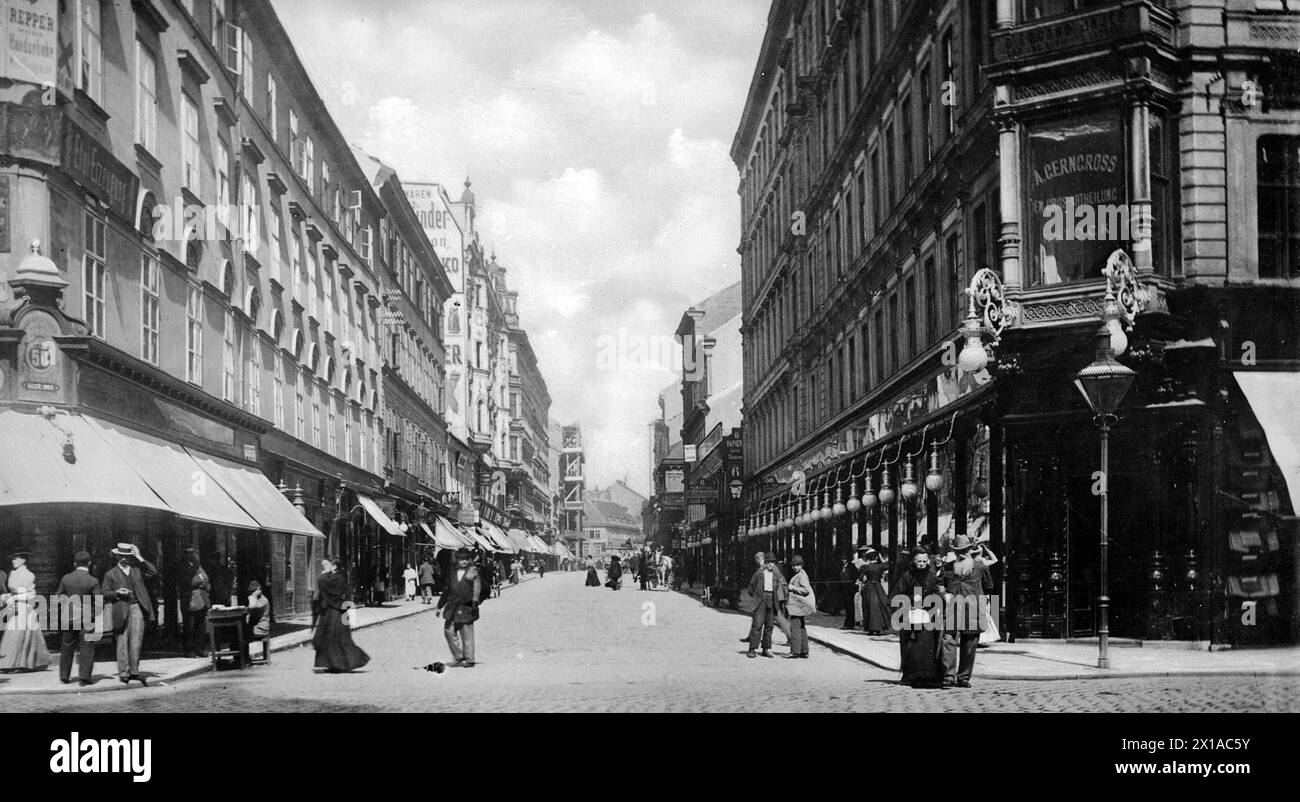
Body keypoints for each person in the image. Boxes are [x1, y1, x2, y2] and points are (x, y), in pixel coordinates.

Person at [939, 535, 994, 688]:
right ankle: (948, 676)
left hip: (973, 610)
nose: (962, 554)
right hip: (952, 610)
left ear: (971, 550)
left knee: (969, 644)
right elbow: (941, 585)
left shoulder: (981, 567)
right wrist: (944, 594)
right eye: (958, 551)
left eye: (965, 550)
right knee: (948, 641)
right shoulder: (948, 568)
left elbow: (989, 587)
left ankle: (963, 677)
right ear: (954, 552)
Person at [100, 543, 158, 685]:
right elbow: (104, 593)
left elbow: (153, 572)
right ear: (116, 556)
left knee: (136, 640)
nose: (124, 559)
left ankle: (134, 671)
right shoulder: (110, 573)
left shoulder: (137, 570)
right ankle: (124, 672)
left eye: (127, 556)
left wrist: (139, 556)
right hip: (120, 608)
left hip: (137, 607)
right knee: (122, 641)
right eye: (121, 556)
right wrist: (117, 593)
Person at [311, 555, 370, 673]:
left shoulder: (336, 578)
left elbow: (321, 583)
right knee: (335, 639)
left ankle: (339, 664)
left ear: (335, 567)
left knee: (334, 638)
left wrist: (324, 573)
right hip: (338, 612)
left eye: (331, 565)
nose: (329, 567)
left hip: (334, 612)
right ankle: (334, 664)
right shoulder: (339, 578)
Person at [0, 550, 53, 672]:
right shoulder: (13, 574)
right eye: (13, 559)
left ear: (23, 560)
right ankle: (11, 663)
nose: (13, 561)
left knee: (21, 634)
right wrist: (8, 596)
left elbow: (30, 595)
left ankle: (21, 663)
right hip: (15, 607)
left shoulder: (28, 575)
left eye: (16, 558)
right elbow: (15, 592)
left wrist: (14, 598)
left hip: (25, 607)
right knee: (13, 633)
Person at [54, 551, 100, 685]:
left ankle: (64, 676)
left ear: (75, 563)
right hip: (86, 618)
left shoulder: (66, 578)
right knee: (87, 647)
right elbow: (99, 602)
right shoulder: (93, 580)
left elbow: (57, 597)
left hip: (68, 616)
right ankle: (84, 678)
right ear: (89, 563)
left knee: (67, 646)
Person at [897, 549, 941, 688]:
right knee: (910, 644)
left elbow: (936, 591)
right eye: (919, 561)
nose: (922, 564)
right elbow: (897, 594)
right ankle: (910, 675)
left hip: (927, 615)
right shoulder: (906, 576)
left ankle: (926, 675)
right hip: (909, 614)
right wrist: (910, 601)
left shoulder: (932, 576)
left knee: (926, 645)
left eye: (924, 561)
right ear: (913, 562)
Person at [437, 549, 481, 668]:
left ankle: (469, 659)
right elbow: (446, 589)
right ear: (457, 559)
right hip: (452, 606)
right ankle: (458, 656)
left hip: (466, 605)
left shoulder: (473, 572)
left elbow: (477, 588)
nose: (464, 562)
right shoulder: (451, 572)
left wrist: (475, 601)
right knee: (448, 631)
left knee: (467, 632)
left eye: (466, 559)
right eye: (462, 559)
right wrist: (439, 606)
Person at [745, 552, 787, 659]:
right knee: (757, 625)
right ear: (765, 562)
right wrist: (756, 597)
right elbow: (751, 587)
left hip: (772, 600)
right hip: (761, 600)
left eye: (772, 562)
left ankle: (766, 649)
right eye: (768, 562)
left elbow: (782, 584)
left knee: (769, 626)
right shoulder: (759, 573)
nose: (770, 564)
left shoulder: (776, 573)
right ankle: (752, 649)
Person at [178, 547, 210, 658]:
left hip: (200, 599)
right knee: (189, 626)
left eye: (192, 552)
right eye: (188, 552)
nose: (190, 555)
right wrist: (199, 579)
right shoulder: (182, 566)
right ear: (184, 554)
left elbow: (205, 577)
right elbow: (189, 581)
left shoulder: (196, 563)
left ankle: (199, 649)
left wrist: (200, 579)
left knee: (201, 625)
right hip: (189, 600)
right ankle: (188, 650)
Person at [785, 555, 815, 659]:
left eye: (797, 565)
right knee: (801, 628)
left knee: (795, 628)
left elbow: (806, 590)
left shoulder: (801, 576)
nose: (795, 567)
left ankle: (795, 651)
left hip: (797, 606)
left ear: (801, 565)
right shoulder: (800, 574)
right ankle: (804, 650)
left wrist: (791, 587)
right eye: (793, 565)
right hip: (798, 606)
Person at [859, 548, 892, 635]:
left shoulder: (865, 567)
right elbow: (888, 564)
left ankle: (870, 629)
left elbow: (861, 578)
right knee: (879, 606)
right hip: (878, 586)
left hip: (869, 587)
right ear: (876, 557)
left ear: (869, 558)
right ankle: (878, 628)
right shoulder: (880, 566)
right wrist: (880, 557)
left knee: (868, 606)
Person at [838, 550, 859, 629]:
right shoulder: (843, 567)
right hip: (844, 590)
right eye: (842, 559)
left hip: (850, 590)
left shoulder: (851, 567)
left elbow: (855, 576)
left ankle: (850, 624)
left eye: (845, 559)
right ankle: (847, 624)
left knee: (850, 607)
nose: (843, 560)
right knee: (847, 607)